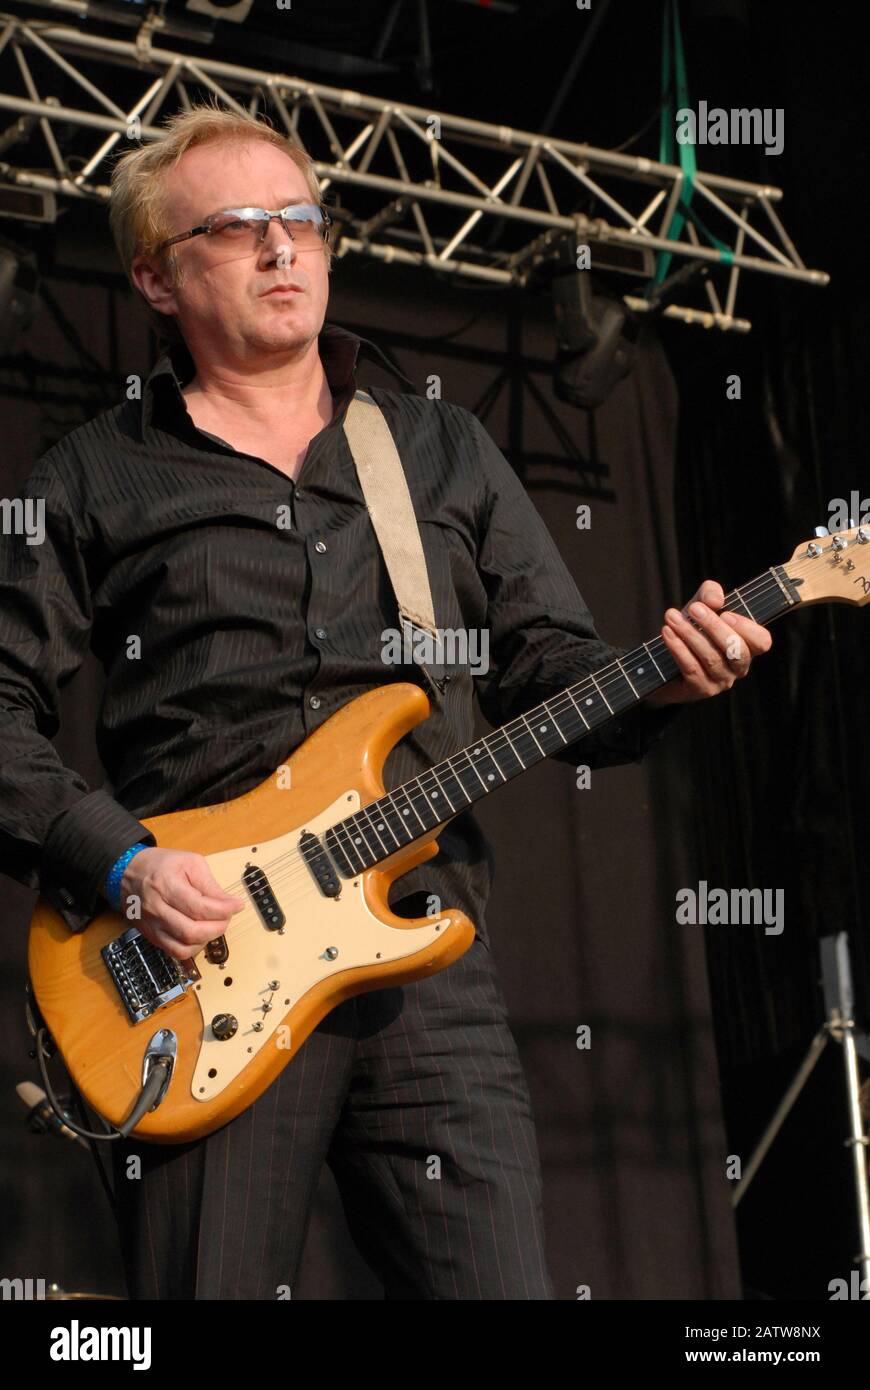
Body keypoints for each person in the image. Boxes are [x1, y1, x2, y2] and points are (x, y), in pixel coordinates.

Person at [0, 104, 772, 1300]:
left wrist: (665, 672)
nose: (282, 246)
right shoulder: (92, 473)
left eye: (302, 218)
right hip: (190, 969)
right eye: (236, 226)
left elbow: (553, 668)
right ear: (155, 276)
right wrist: (124, 864)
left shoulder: (437, 448)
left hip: (421, 959)